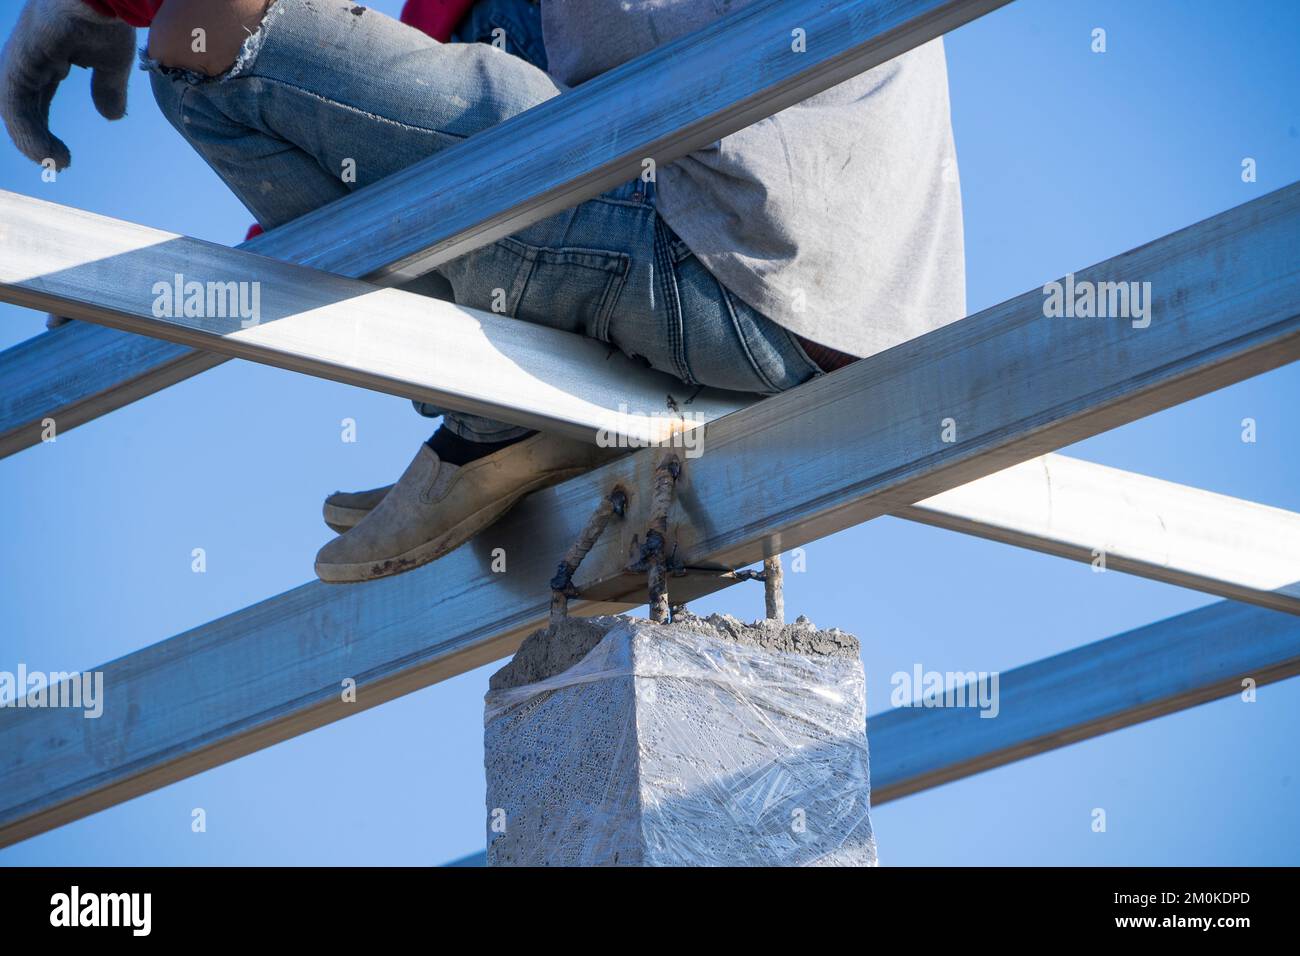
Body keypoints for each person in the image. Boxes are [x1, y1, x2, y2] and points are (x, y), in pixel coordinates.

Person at [0, 0, 965, 583]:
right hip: (865, 307)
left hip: (721, 255)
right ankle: (527, 409)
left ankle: (493, 418)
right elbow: (428, 67)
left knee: (207, 39)